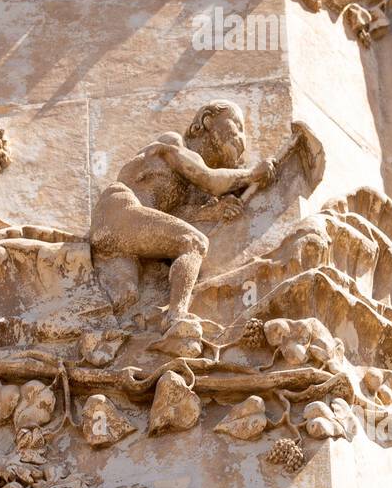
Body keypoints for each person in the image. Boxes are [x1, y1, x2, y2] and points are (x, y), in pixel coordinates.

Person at [90, 101, 274, 336]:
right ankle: (176, 316)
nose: (242, 139)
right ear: (207, 120)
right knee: (194, 243)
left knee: (127, 299)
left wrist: (211, 212)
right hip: (118, 210)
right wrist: (251, 174)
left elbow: (167, 219)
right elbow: (210, 179)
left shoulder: (186, 190)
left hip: (122, 237)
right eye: (237, 126)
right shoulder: (172, 143)